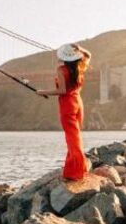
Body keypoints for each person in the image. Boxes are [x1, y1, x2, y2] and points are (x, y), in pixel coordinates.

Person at [37, 43, 92, 180]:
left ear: (64, 57)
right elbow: (89, 55)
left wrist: (43, 92)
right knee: (75, 137)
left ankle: (77, 172)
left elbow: (62, 90)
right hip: (78, 103)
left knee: (72, 139)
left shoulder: (61, 70)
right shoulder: (80, 66)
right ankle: (73, 168)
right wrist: (80, 48)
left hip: (68, 105)